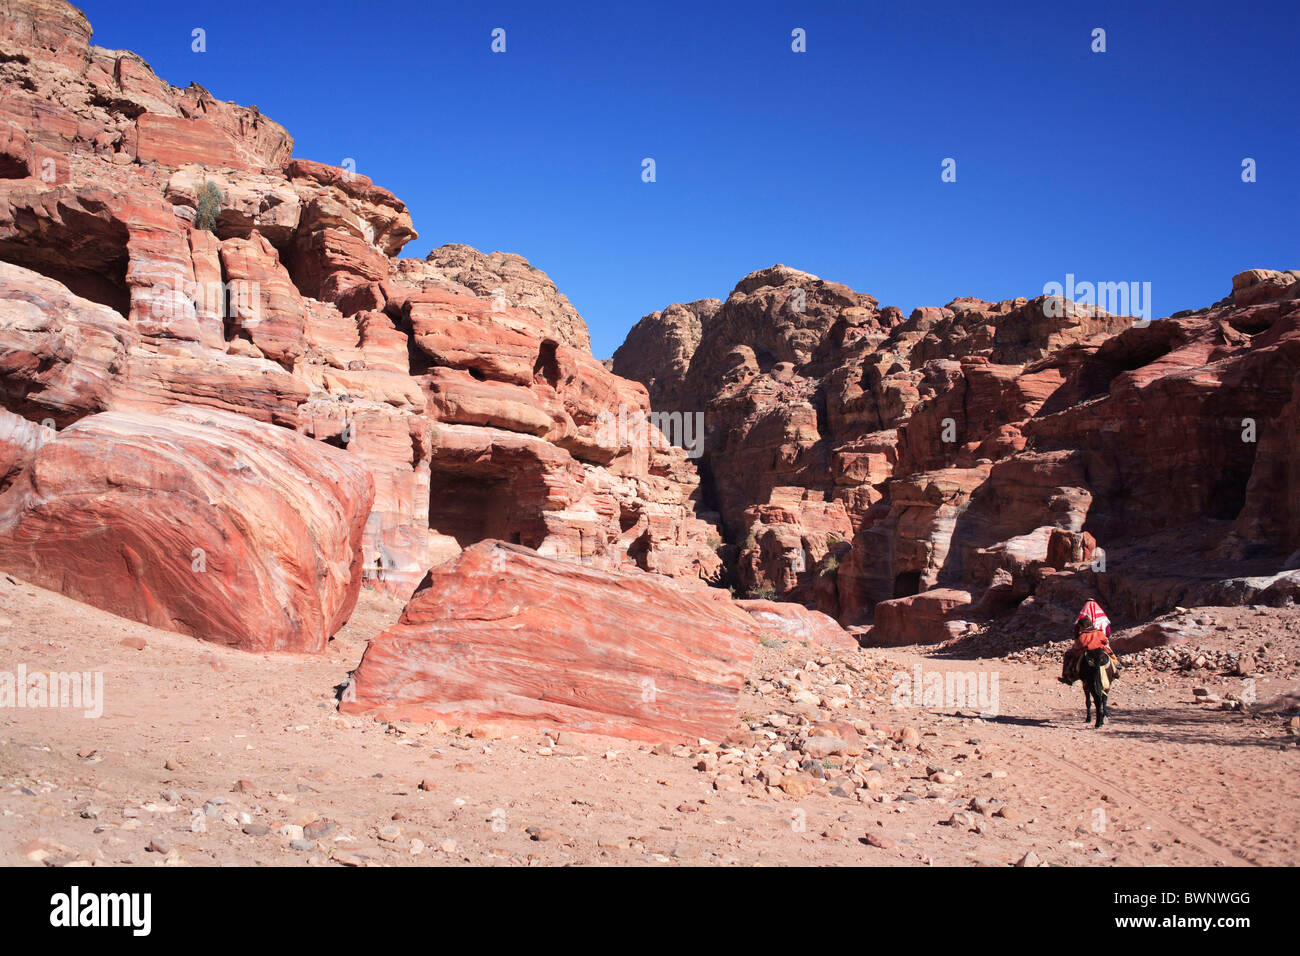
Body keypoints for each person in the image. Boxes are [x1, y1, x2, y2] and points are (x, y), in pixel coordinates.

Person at [1060, 600, 1119, 685]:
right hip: (1101, 644)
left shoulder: (1081, 620)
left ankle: (1068, 675)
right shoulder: (1103, 619)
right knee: (1111, 655)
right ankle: (1116, 669)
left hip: (1085, 645)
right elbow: (1108, 633)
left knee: (1070, 655)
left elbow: (1076, 634)